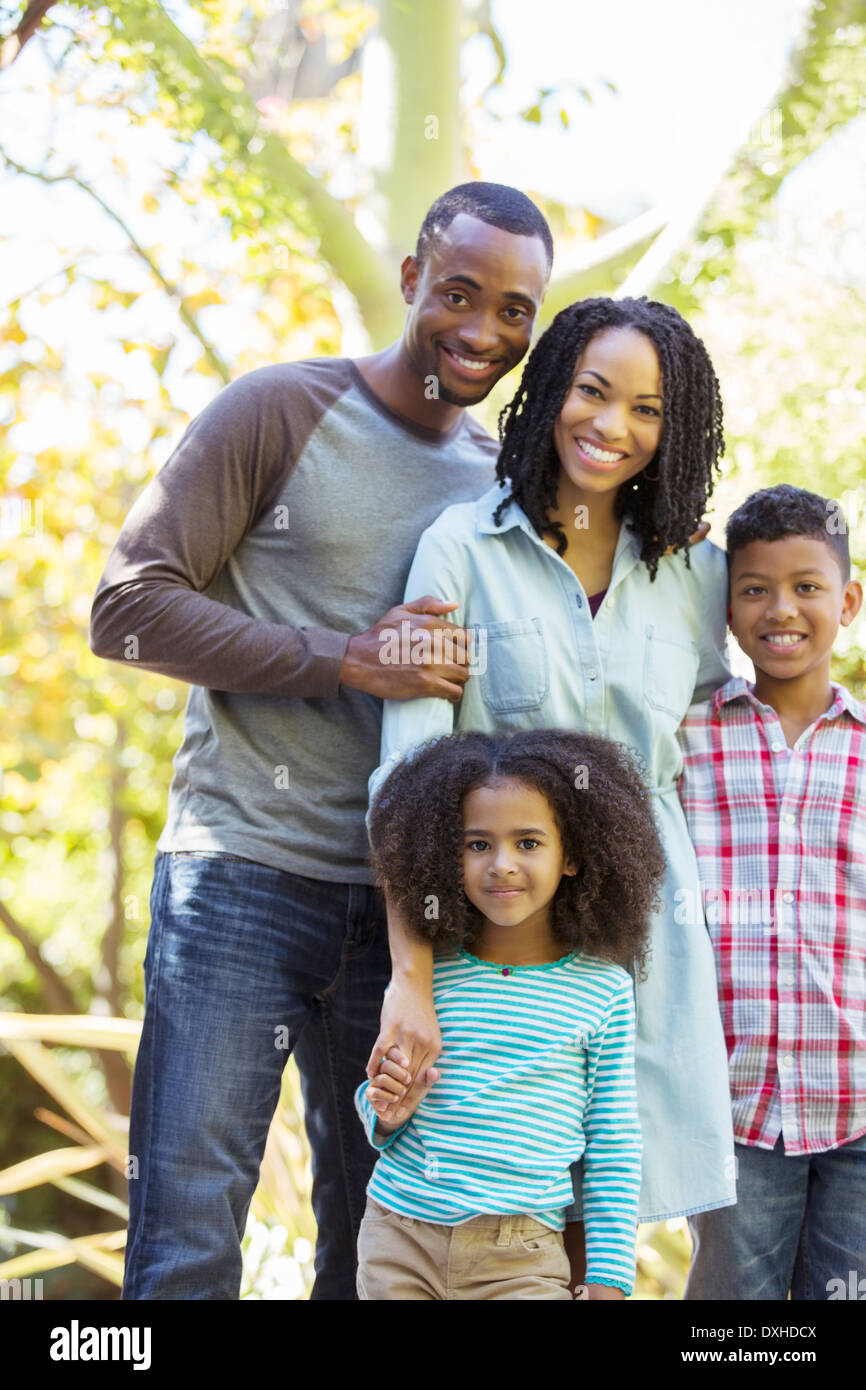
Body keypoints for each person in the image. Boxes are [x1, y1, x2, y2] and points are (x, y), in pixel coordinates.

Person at [88, 182, 553, 1300]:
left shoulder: (498, 483)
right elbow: (127, 605)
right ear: (408, 281)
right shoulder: (277, 410)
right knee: (189, 1236)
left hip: (403, 918)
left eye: (513, 310)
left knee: (375, 1245)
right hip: (238, 873)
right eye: (457, 293)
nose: (481, 330)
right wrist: (346, 656)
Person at [367, 296, 738, 1240]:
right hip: (496, 949)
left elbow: (721, 745)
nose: (613, 427)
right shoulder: (461, 548)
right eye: (593, 392)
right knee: (490, 1216)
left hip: (645, 943)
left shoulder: (696, 576)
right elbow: (406, 783)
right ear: (552, 390)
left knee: (605, 1227)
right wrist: (410, 978)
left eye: (648, 410)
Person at [356, 728, 665, 1300]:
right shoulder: (429, 977)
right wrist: (386, 1111)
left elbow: (613, 1142)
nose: (501, 864)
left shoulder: (603, 991)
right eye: (478, 845)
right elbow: (377, 1099)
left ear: (572, 857)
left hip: (521, 1256)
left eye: (528, 842)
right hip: (398, 1237)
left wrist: (610, 1280)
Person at [677, 484, 866, 1301]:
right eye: (753, 588)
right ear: (725, 608)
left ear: (849, 600)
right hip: (733, 1109)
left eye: (806, 586)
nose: (779, 608)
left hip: (858, 1104)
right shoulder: (686, 739)